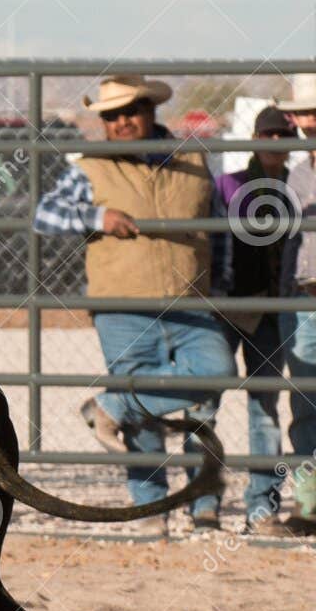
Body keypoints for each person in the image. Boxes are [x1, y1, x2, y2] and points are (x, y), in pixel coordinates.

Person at [33, 76, 232, 533]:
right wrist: (95, 217)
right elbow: (44, 214)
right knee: (147, 418)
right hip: (122, 306)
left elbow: (218, 231)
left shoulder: (195, 160)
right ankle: (152, 510)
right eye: (111, 115)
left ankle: (116, 413)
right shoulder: (90, 167)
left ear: (150, 112)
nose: (121, 122)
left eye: (130, 112)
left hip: (191, 300)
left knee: (213, 378)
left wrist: (221, 289)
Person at [217, 105, 301, 533]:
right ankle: (204, 503)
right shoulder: (230, 184)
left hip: (270, 309)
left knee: (263, 405)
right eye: (266, 135)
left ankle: (260, 508)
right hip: (228, 302)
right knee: (205, 397)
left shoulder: (297, 185)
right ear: (254, 138)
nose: (273, 144)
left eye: (281, 136)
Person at [278, 75, 316, 534]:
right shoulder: (298, 169)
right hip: (305, 296)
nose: (308, 119)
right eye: (304, 112)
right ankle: (309, 505)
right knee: (306, 403)